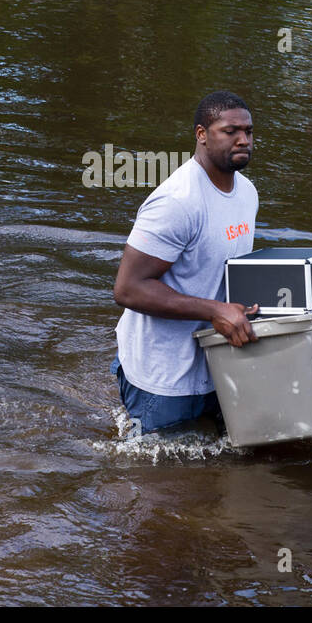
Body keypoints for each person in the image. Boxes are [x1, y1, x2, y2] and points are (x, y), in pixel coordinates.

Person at [111, 90, 260, 434]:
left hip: (216, 364)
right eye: (230, 131)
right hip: (161, 376)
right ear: (201, 135)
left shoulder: (247, 193)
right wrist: (215, 311)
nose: (243, 140)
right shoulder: (177, 201)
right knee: (154, 480)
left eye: (248, 132)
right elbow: (128, 289)